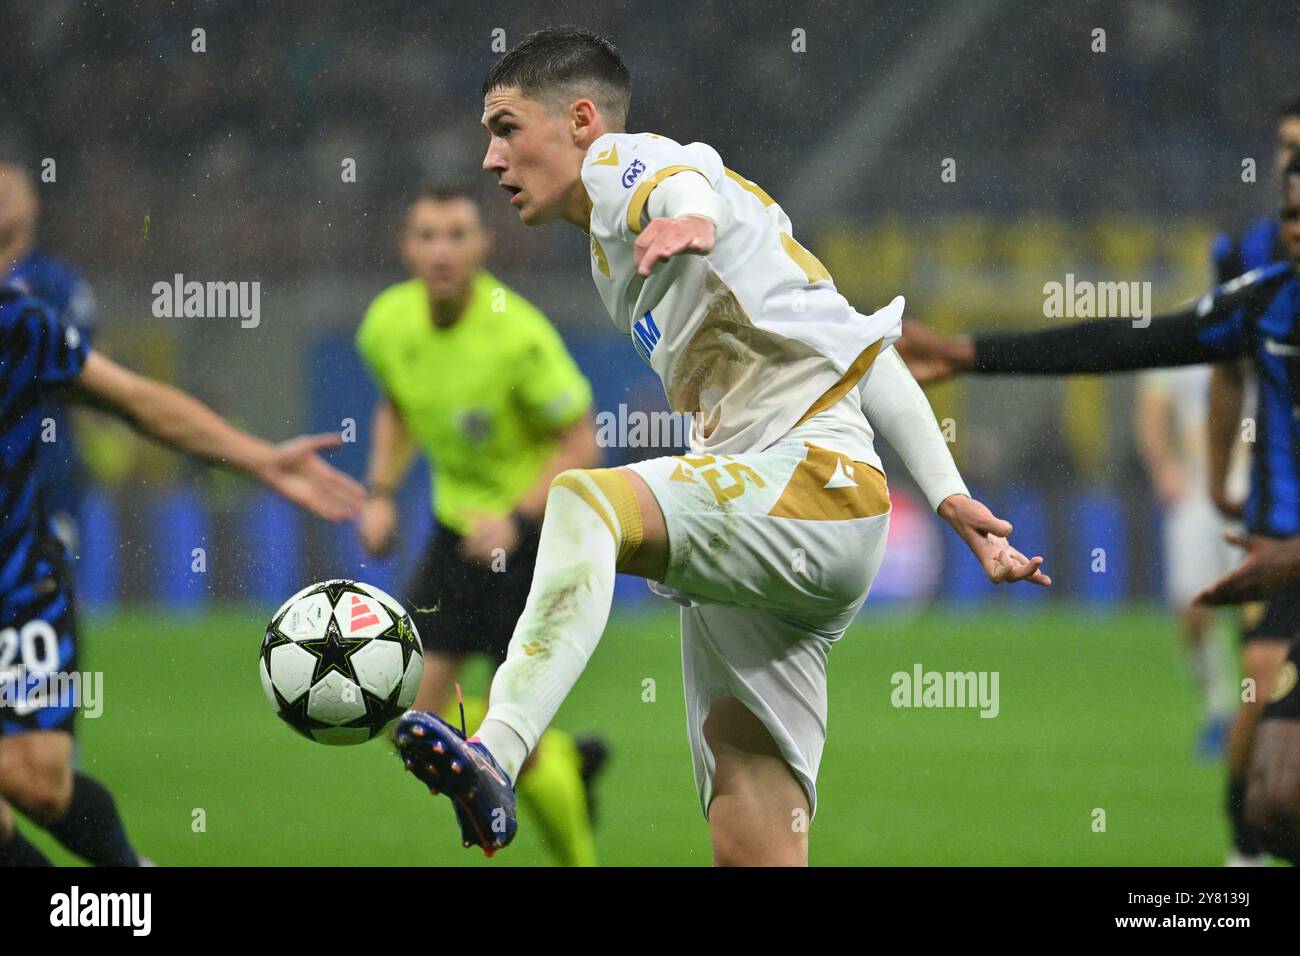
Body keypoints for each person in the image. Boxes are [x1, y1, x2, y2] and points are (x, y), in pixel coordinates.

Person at [392, 27, 1047, 865]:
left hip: (806, 483)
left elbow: (677, 175)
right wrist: (951, 495)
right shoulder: (627, 247)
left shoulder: (623, 166)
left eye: (507, 127)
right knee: (748, 810)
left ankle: (498, 749)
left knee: (585, 502)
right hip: (806, 523)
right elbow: (866, 351)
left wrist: (690, 217)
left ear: (582, 120)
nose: (491, 159)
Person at [892, 153, 1300, 864]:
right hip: (1285, 555)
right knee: (1273, 799)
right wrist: (967, 353)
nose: (1298, 230)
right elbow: (1127, 340)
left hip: (1288, 557)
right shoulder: (1268, 301)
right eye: (1291, 215)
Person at [0, 285, 364, 866]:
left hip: (14, 580)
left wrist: (260, 458)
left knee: (38, 783)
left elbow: (137, 399)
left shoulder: (15, 319)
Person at [356, 183, 607, 866]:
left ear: (482, 247)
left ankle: (577, 845)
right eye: (428, 235)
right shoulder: (386, 324)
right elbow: (398, 404)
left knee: (504, 739)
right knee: (411, 724)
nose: (442, 250)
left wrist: (514, 518)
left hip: (529, 540)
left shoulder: (517, 334)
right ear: (406, 247)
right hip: (453, 531)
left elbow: (582, 443)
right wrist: (379, 491)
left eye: (457, 235)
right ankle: (564, 762)